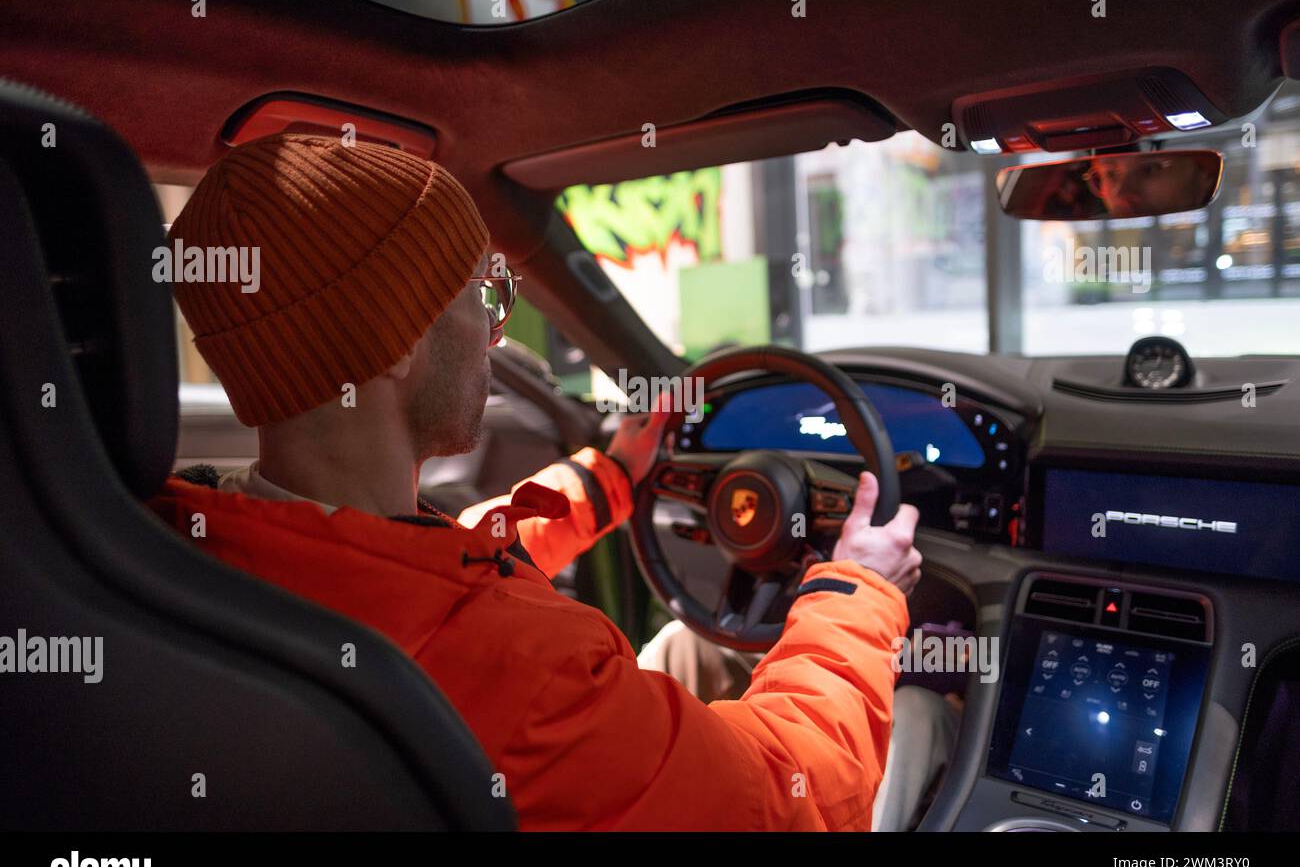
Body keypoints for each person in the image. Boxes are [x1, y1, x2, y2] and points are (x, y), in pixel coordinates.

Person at [149, 132, 935, 830]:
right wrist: (857, 591)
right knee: (924, 715)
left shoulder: (180, 539)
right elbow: (789, 799)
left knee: (687, 652)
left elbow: (436, 565)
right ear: (394, 343)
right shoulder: (531, 677)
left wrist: (610, 478)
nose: (494, 331)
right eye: (479, 298)